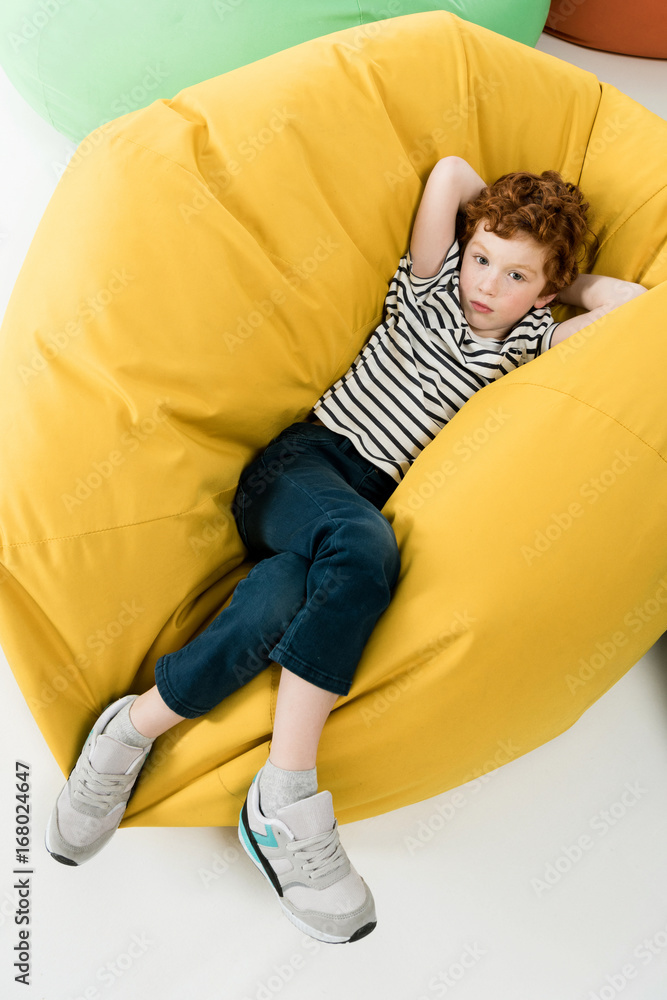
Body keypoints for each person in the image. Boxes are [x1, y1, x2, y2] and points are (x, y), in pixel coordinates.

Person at [44, 156, 646, 943]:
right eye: (482, 259)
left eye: (514, 276)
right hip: (303, 470)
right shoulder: (429, 284)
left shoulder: (534, 339)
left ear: (542, 290)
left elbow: (632, 307)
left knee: (275, 600)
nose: (487, 284)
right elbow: (452, 175)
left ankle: (131, 729)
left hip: (345, 522)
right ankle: (287, 796)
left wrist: (559, 279)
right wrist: (497, 232)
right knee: (365, 551)